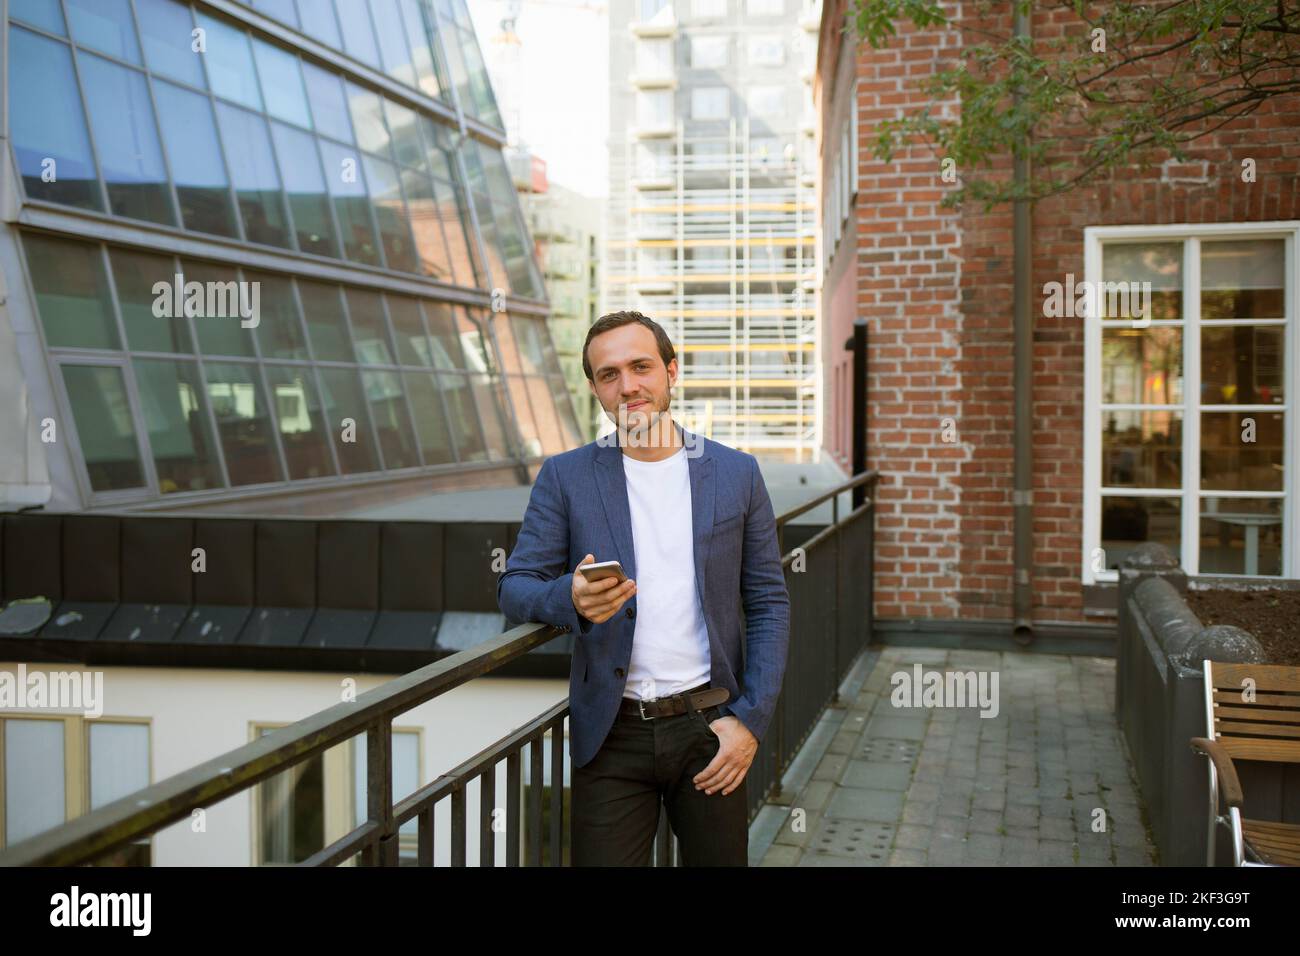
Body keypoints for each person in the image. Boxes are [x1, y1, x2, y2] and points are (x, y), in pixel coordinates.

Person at [497, 310, 791, 866]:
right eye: (609, 374)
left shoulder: (736, 473)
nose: (627, 385)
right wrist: (570, 598)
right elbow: (515, 587)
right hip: (612, 735)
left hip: (711, 726)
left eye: (640, 366)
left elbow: (770, 602)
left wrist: (750, 720)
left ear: (670, 371)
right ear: (594, 389)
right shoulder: (567, 476)